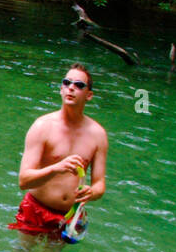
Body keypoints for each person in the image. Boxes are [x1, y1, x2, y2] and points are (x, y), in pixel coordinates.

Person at [10, 63, 108, 236]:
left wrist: (91, 193)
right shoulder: (42, 127)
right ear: (61, 90)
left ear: (89, 95)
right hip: (35, 209)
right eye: (66, 82)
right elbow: (23, 181)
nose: (71, 88)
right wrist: (56, 168)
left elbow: (100, 184)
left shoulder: (98, 135)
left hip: (70, 215)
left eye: (79, 85)